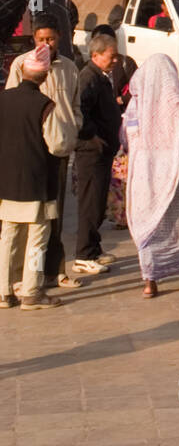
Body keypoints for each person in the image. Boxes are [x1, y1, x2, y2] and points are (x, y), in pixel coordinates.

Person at [123, 55, 179, 298]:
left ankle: (150, 280)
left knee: (150, 223)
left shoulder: (135, 106)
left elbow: (124, 138)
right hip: (174, 173)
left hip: (143, 173)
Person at [6, 18, 81, 291]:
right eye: (40, 39)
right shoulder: (22, 66)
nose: (45, 44)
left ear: (59, 37)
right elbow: (14, 105)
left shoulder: (70, 68)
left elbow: (75, 106)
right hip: (29, 153)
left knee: (54, 218)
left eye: (50, 39)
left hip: (57, 152)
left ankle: (53, 272)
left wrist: (73, 130)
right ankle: (24, 281)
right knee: (29, 225)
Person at [0, 43, 62, 310]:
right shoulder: (44, 105)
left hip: (6, 181)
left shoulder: (3, 99)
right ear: (45, 77)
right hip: (37, 182)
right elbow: (57, 144)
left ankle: (3, 291)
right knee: (37, 240)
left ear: (22, 71)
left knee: (8, 237)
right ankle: (31, 291)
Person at [73, 33, 122, 275]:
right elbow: (79, 112)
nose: (115, 61)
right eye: (111, 57)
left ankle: (93, 247)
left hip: (103, 151)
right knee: (90, 202)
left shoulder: (100, 77)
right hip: (91, 152)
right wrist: (93, 136)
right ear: (96, 55)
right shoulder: (88, 78)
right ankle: (84, 254)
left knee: (98, 200)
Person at [87, 24, 137, 231]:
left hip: (125, 124)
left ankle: (122, 216)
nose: (114, 58)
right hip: (101, 137)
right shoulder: (88, 74)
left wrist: (121, 98)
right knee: (113, 181)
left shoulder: (126, 63)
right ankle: (114, 215)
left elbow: (136, 88)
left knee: (121, 179)